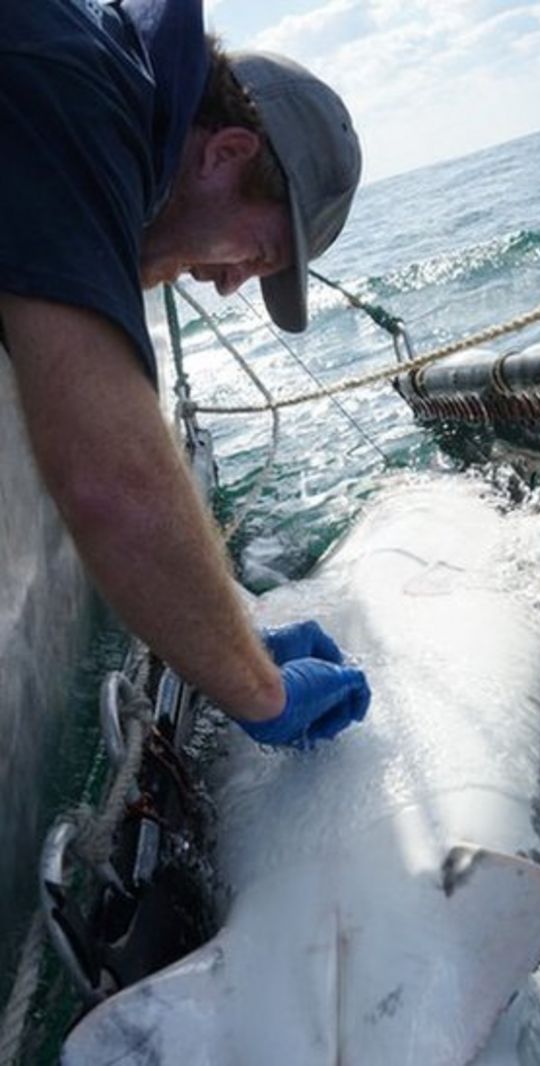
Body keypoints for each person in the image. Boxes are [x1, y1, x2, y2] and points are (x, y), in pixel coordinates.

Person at [0, 0, 370, 746]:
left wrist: (221, 635)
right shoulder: (77, 93)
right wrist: (260, 692)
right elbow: (112, 481)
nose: (229, 285)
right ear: (226, 152)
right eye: (256, 256)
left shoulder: (85, 87)